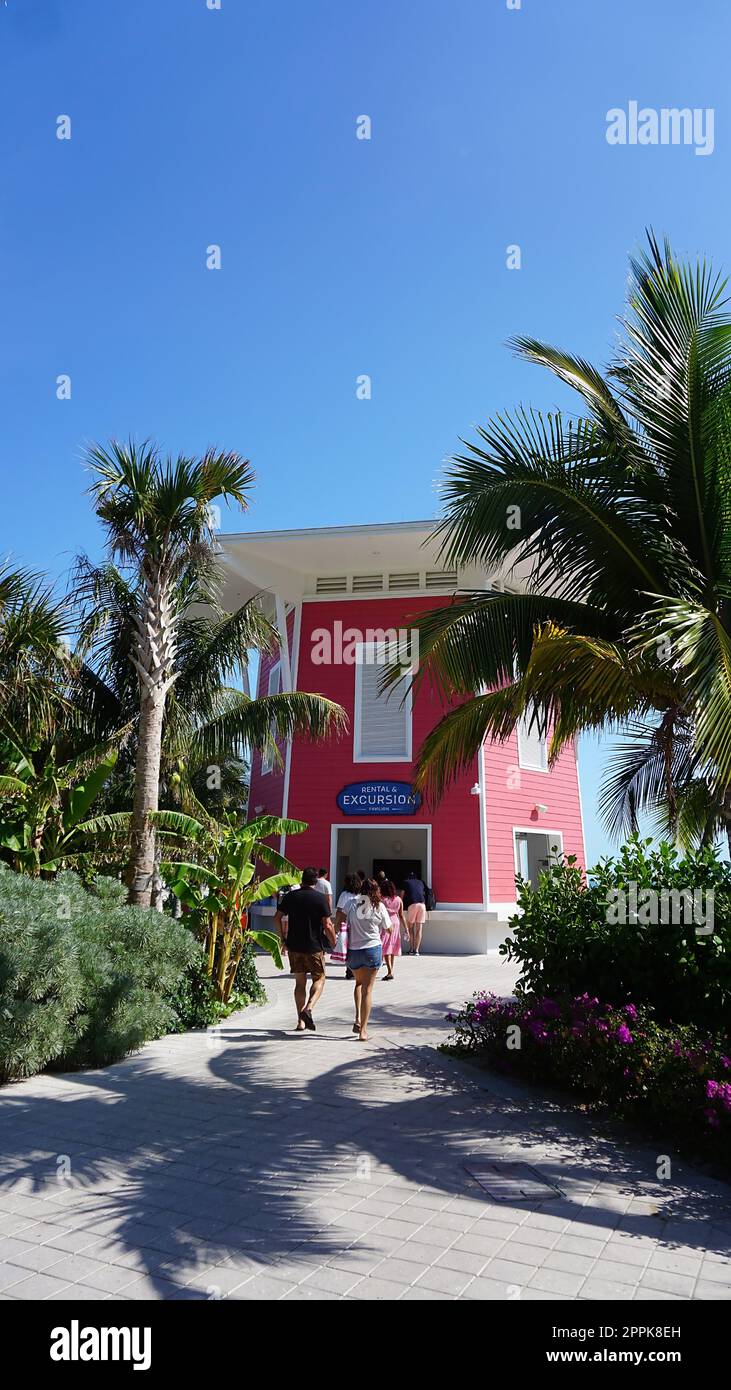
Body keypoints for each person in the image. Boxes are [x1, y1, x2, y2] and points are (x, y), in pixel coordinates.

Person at [274, 867, 335, 1031]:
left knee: (300, 983)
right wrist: (334, 941)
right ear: (316, 881)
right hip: (314, 946)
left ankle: (300, 1022)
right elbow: (328, 925)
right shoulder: (320, 899)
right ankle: (308, 1008)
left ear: (302, 879)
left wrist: (282, 938)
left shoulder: (291, 897)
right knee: (319, 978)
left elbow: (277, 918)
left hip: (294, 945)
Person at [344, 877, 390, 1040]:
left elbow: (341, 921)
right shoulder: (379, 906)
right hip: (372, 949)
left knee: (358, 984)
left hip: (354, 950)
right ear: (376, 891)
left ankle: (357, 1019)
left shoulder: (351, 903)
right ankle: (363, 1031)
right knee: (368, 990)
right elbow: (388, 928)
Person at [379, 878, 405, 980]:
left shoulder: (382, 900)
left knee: (385, 948)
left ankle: (390, 971)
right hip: (396, 922)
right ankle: (391, 970)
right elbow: (401, 915)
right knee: (392, 947)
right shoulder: (398, 899)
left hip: (386, 923)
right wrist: (406, 929)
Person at [401, 869, 427, 956]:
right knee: (419, 928)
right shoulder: (421, 882)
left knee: (411, 928)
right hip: (422, 905)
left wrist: (401, 905)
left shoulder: (406, 882)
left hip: (412, 904)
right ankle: (417, 951)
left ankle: (411, 949)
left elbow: (402, 895)